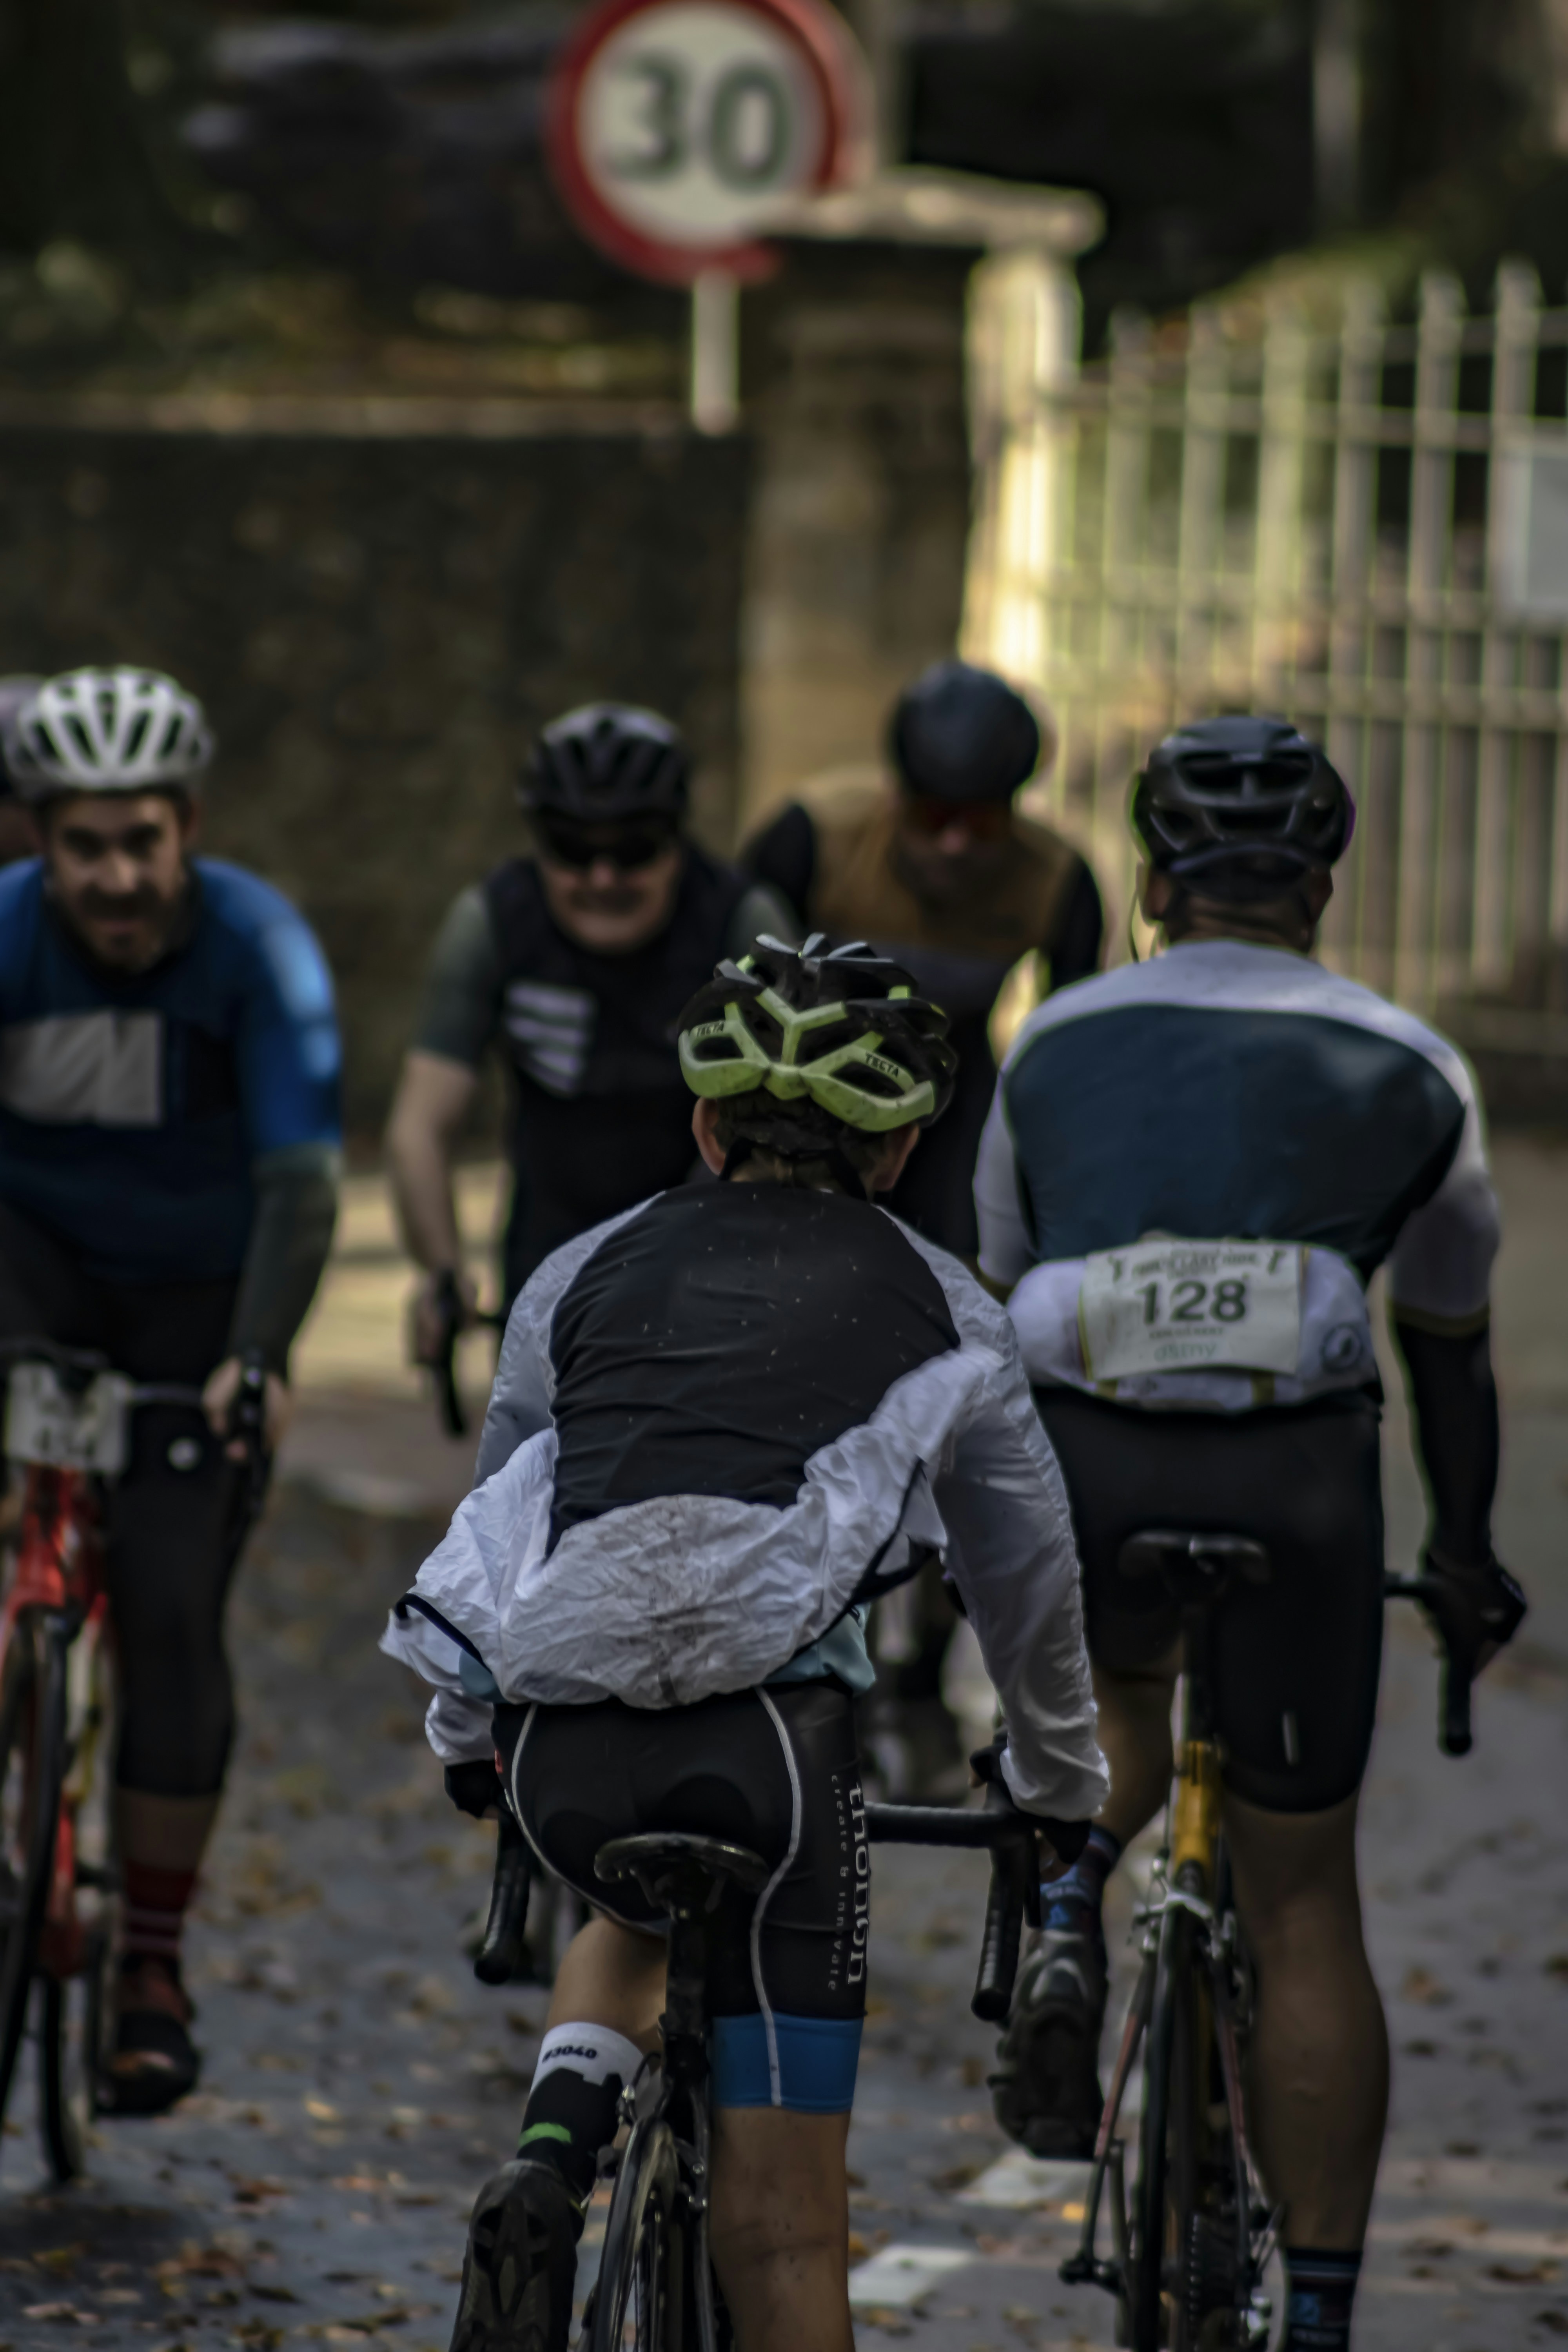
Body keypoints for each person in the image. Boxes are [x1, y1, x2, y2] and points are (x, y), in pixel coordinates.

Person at [382, 934, 1109, 2352]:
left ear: (706, 1123)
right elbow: (1025, 1579)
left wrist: (474, 1748)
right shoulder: (945, 1302)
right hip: (773, 1757)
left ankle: (552, 2155)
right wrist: (1058, 1781)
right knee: (784, 2240)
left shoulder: (575, 1273)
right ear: (899, 1151)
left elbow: (500, 1529)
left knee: (626, 1910)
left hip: (562, 1746)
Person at [975, 715, 1526, 2352]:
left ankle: (1073, 1895)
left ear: (1151, 876)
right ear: (1324, 889)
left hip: (1093, 1457)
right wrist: (1474, 1556)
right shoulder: (1414, 1065)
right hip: (1298, 1477)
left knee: (1118, 1712)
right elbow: (1449, 1348)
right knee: (1301, 1904)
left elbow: (998, 1299)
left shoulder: (1051, 1042)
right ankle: (1324, 2317)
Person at [0, 665, 341, 2112]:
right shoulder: (8, 938)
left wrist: (256, 1359)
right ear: (40, 837)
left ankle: (149, 1962)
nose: (118, 876)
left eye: (144, 840)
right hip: (31, 1270)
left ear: (189, 824)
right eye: (85, 845)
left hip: (197, 1305)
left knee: (175, 1609)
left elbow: (301, 1182)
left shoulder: (259, 950)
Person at [385, 702, 795, 1372]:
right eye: (573, 851)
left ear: (677, 842)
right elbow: (420, 1126)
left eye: (633, 850)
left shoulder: (740, 925)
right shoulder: (495, 923)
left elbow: (791, 1122)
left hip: (709, 1238)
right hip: (549, 1246)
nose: (603, 879)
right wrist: (442, 1274)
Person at [742, 658, 1102, 1263]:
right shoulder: (814, 837)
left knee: (967, 1248)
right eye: (933, 818)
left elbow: (1067, 1054)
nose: (954, 845)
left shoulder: (1058, 882)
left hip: (953, 1093)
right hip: (810, 1082)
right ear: (895, 795)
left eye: (983, 823)